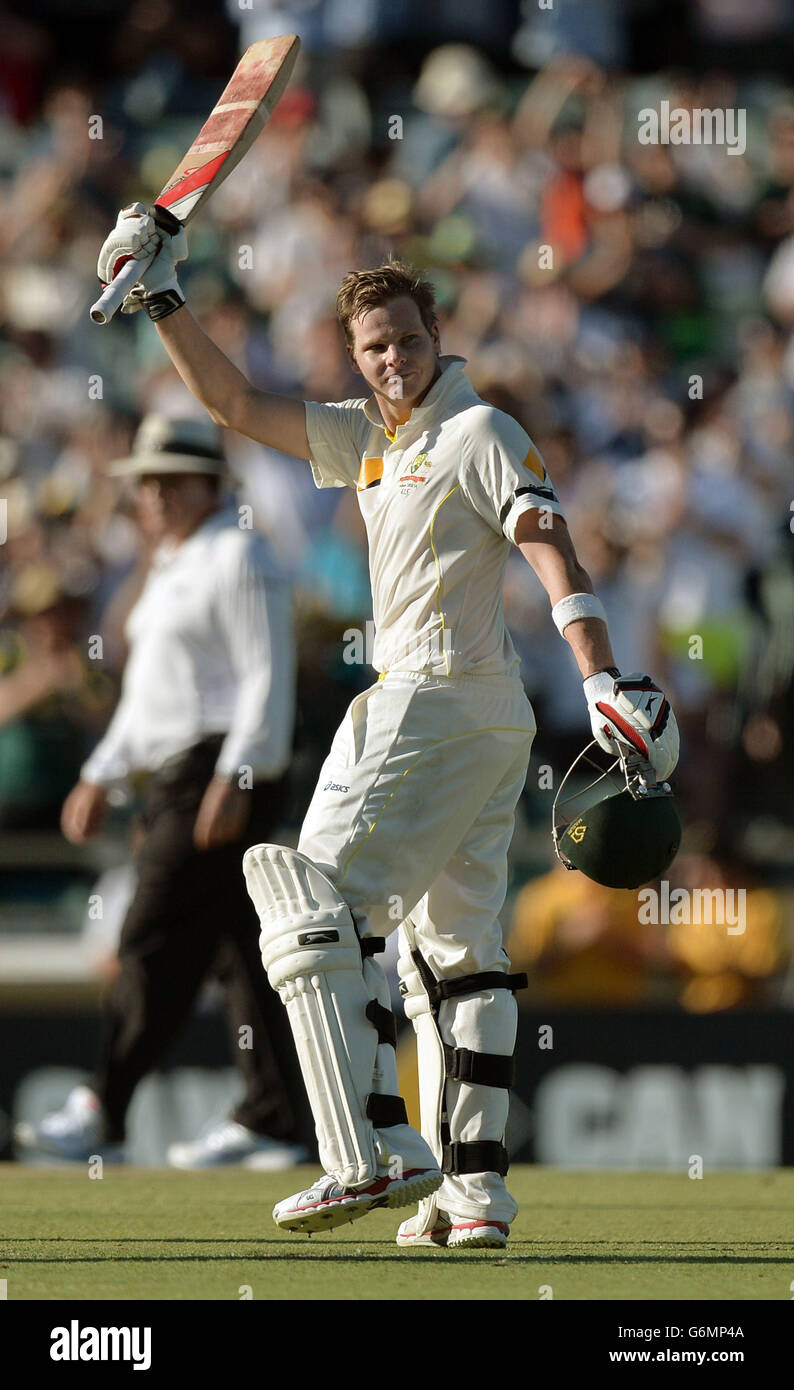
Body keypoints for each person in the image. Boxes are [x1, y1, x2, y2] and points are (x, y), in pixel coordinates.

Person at [90, 208, 679, 1248]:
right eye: (373, 347)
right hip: (466, 716)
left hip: (440, 697)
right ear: (352, 356)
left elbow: (554, 551)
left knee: (305, 903)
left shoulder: (476, 430)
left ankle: (368, 1149)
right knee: (454, 956)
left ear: (434, 333)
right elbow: (228, 401)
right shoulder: (364, 439)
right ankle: (474, 1194)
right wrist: (160, 297)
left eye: (406, 339)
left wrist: (598, 678)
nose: (393, 359)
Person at [14, 415, 311, 1171]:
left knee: (148, 934)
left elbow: (265, 678)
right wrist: (101, 770)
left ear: (211, 485)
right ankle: (274, 1116)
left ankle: (104, 1105)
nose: (155, 494)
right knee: (241, 953)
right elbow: (150, 701)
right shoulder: (173, 566)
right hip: (185, 772)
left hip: (221, 770)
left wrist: (238, 775)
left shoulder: (240, 554)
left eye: (172, 480)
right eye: (148, 482)